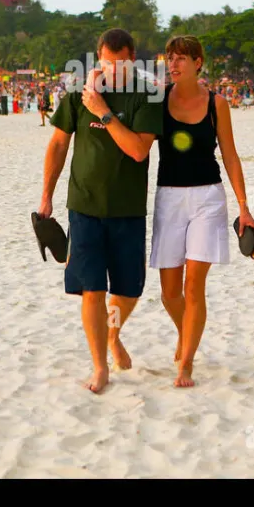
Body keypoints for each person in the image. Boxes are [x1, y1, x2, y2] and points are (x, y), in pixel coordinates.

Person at [38, 29, 163, 395]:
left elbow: (139, 151)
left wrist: (104, 112)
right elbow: (59, 144)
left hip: (127, 207)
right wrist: (46, 196)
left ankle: (113, 334)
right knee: (91, 288)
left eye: (121, 63)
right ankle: (99, 365)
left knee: (129, 290)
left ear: (133, 58)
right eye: (107, 62)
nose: (113, 69)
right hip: (83, 205)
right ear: (98, 58)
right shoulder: (80, 93)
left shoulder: (146, 94)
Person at [152, 36, 254, 388]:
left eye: (181, 58)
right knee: (169, 292)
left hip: (208, 199)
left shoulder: (217, 104)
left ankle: (187, 362)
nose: (174, 64)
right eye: (171, 58)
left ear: (198, 63)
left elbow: (229, 154)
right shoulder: (158, 99)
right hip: (168, 199)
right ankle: (187, 332)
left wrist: (244, 208)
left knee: (193, 285)